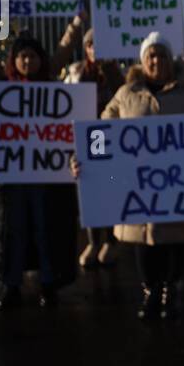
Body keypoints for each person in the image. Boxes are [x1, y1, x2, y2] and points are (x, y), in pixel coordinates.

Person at [0, 25, 79, 310]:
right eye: (22, 56)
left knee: (44, 228)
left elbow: (64, 49)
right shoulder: (1, 84)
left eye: (32, 57)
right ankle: (10, 285)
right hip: (9, 177)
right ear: (13, 60)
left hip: (44, 176)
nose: (27, 62)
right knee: (11, 230)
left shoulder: (50, 85)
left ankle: (48, 283)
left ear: (41, 60)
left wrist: (76, 24)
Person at [95, 31, 184, 320]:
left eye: (161, 55)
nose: (156, 60)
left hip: (178, 184)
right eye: (150, 56)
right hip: (139, 186)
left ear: (170, 60)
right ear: (143, 61)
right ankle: (152, 290)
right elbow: (101, 131)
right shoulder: (126, 94)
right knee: (146, 245)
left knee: (181, 244)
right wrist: (83, 158)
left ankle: (171, 284)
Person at [60, 20, 125, 268]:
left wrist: (109, 69)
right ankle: (92, 241)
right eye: (90, 44)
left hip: (110, 138)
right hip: (83, 138)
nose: (94, 49)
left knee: (109, 189)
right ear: (85, 48)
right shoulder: (75, 71)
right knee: (87, 190)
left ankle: (110, 240)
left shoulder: (115, 71)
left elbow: (122, 94)